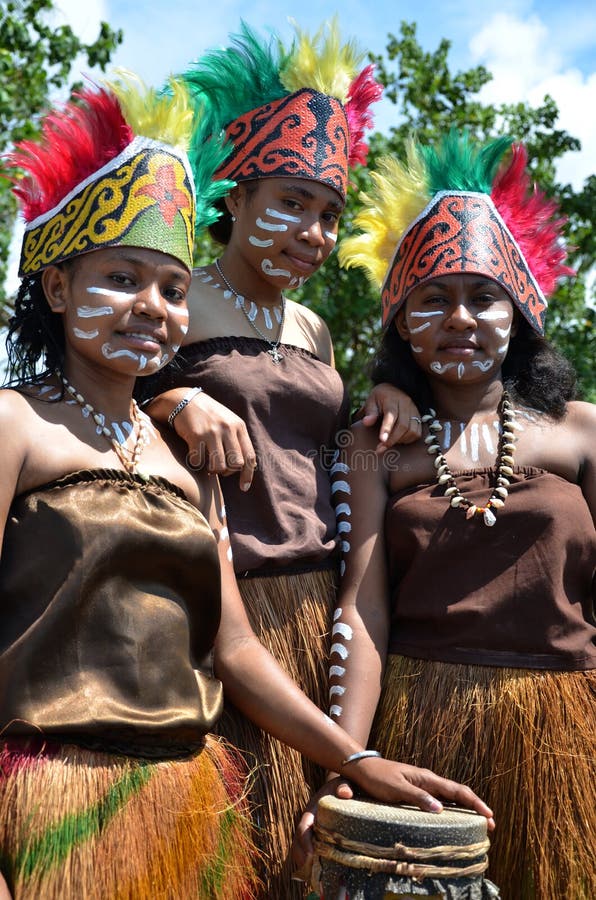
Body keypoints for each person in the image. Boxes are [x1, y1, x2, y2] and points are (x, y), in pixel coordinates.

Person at [0, 78, 493, 900]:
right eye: (121, 280)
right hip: (60, 777)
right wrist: (179, 396)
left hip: (248, 693)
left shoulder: (200, 441)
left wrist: (391, 392)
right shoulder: (22, 423)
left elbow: (241, 634)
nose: (153, 309)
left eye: (167, 290)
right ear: (59, 288)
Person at [139, 20, 422, 897]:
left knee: (313, 846)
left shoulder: (314, 328)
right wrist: (175, 396)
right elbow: (104, 400)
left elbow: (328, 453)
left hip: (317, 602)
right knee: (232, 851)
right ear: (237, 199)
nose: (314, 231)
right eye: (291, 204)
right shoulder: (178, 298)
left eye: (330, 213)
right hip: (223, 609)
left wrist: (388, 394)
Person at [297, 131, 596, 899]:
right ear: (401, 321)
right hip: (420, 723)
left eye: (482, 296)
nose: (459, 317)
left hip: (566, 727)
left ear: (520, 313)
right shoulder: (373, 449)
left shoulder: (583, 431)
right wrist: (346, 764)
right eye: (432, 299)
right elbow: (364, 607)